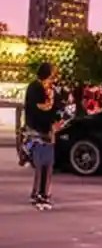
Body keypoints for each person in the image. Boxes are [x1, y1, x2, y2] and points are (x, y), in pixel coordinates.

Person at [24, 62, 60, 209]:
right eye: (53, 73)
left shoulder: (49, 89)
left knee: (48, 164)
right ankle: (40, 195)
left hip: (47, 131)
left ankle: (42, 193)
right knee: (42, 164)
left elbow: (55, 107)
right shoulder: (35, 88)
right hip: (38, 132)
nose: (55, 77)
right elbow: (38, 110)